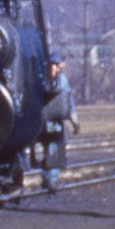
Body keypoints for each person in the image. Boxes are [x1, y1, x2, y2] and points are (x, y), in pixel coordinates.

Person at [39, 55, 79, 193]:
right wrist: (75, 122)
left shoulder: (42, 80)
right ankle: (51, 179)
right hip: (52, 123)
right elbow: (69, 103)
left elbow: (68, 103)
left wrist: (75, 122)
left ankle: (47, 177)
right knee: (53, 150)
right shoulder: (61, 81)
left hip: (45, 122)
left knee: (50, 150)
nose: (53, 69)